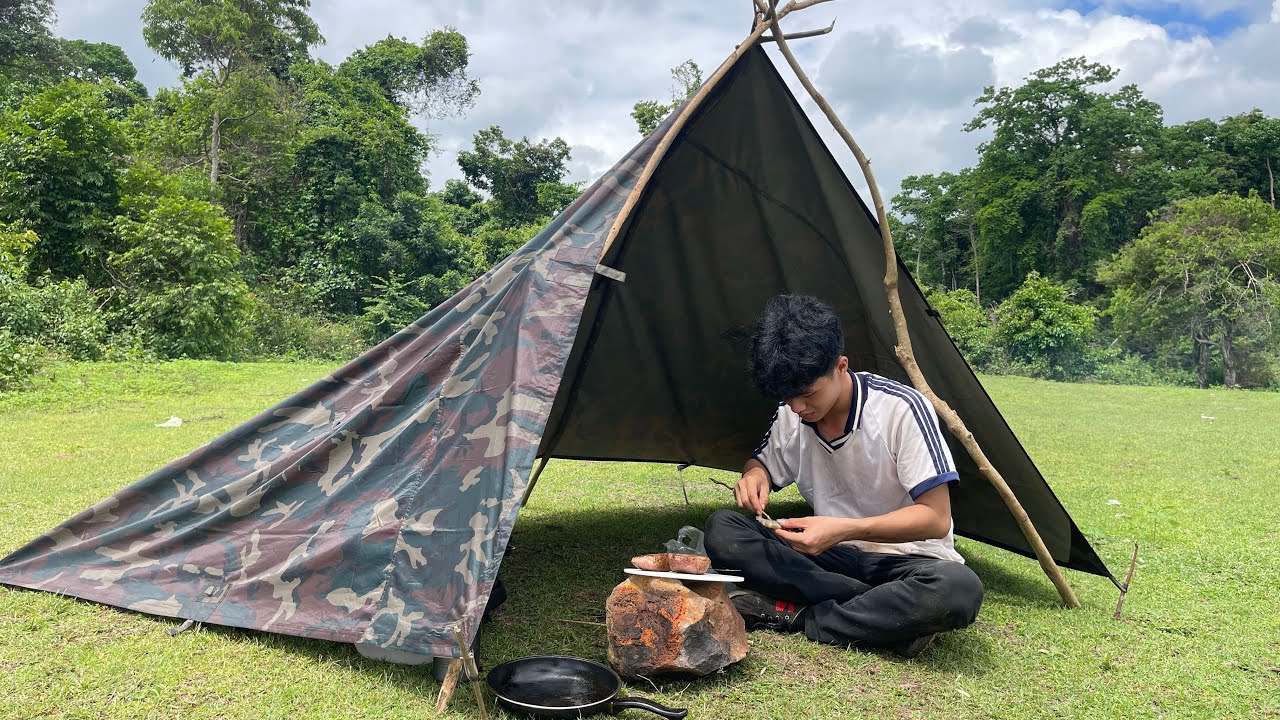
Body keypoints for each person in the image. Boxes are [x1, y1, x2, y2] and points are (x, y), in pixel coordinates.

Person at [704, 294, 983, 658]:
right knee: (723, 530)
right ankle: (882, 614)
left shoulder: (901, 409)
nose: (798, 407)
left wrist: (845, 529)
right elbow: (761, 464)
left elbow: (935, 518)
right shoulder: (792, 413)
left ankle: (799, 616)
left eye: (807, 394)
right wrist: (754, 475)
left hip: (904, 560)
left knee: (958, 589)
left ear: (840, 366)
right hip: (828, 557)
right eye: (787, 398)